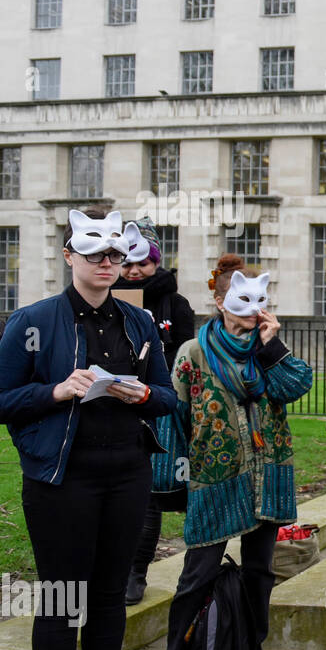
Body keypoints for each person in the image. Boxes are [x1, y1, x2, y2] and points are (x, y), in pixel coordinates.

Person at [0, 209, 177, 650]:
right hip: (61, 479)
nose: (107, 264)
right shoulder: (33, 320)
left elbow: (167, 398)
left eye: (116, 256)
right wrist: (57, 392)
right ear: (69, 256)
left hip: (127, 475)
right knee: (63, 596)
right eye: (95, 255)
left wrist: (141, 396)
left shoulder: (137, 323)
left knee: (109, 594)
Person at [163, 255, 313, 650]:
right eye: (241, 301)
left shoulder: (267, 352)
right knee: (198, 575)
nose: (251, 311)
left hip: (268, 478)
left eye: (259, 303)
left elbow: (297, 386)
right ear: (218, 301)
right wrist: (174, 483)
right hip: (216, 481)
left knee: (260, 575)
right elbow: (176, 418)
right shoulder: (194, 352)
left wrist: (271, 345)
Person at [113, 217, 196, 605]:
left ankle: (136, 572)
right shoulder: (106, 298)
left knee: (148, 493)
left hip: (157, 407)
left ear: (157, 261)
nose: (133, 271)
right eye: (126, 263)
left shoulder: (175, 304)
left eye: (142, 263)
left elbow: (183, 355)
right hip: (111, 406)